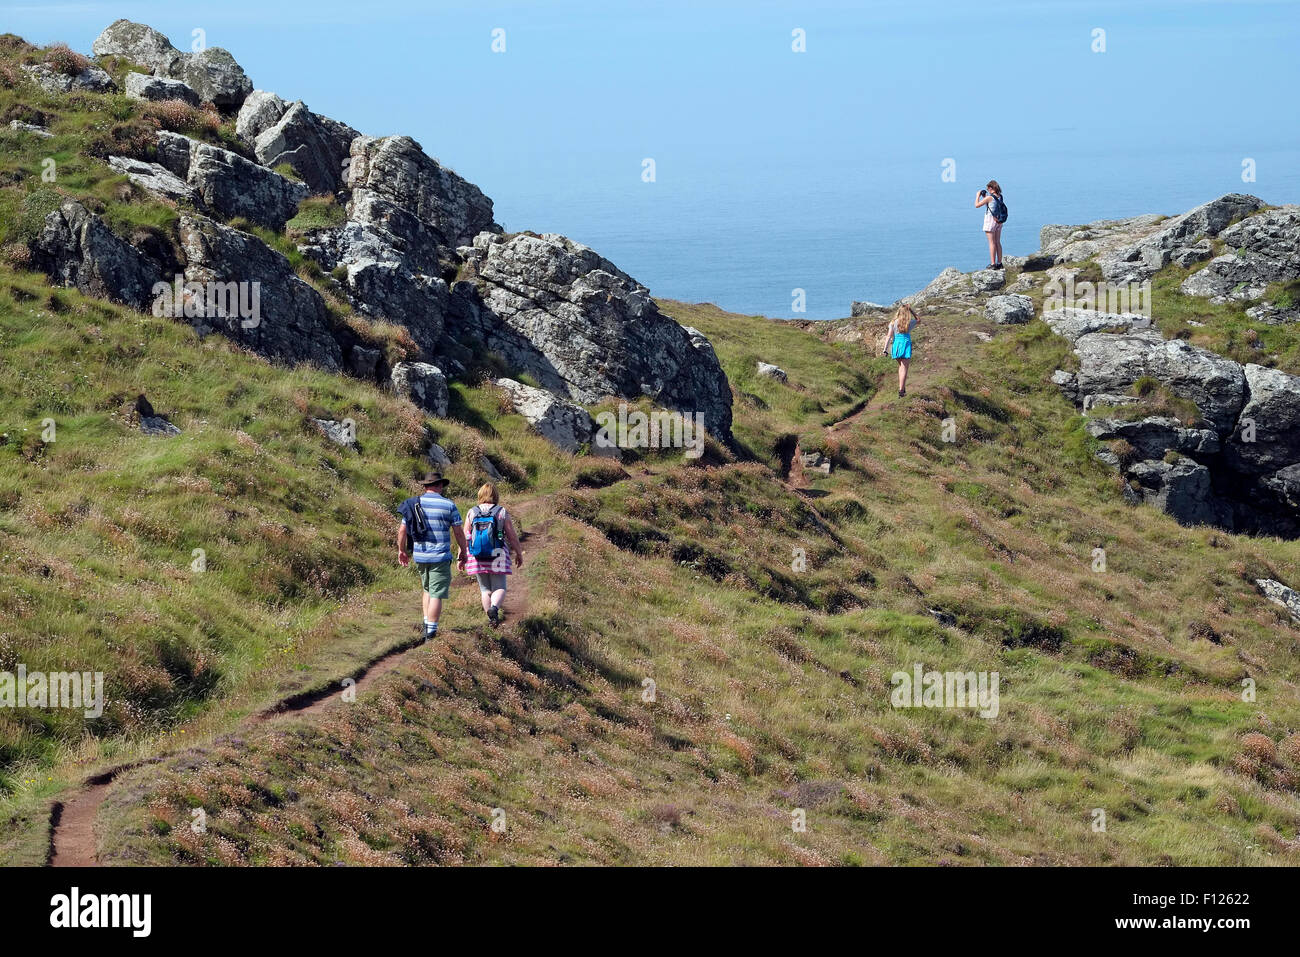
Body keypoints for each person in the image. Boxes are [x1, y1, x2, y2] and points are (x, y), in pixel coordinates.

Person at [397, 472, 467, 640]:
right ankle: (431, 632)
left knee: (427, 589)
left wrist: (402, 550)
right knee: (436, 593)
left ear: (425, 486)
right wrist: (464, 550)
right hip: (440, 556)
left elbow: (402, 531)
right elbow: (458, 532)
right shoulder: (449, 505)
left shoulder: (414, 504)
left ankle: (426, 623)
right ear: (439, 486)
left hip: (420, 555)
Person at [462, 482, 524, 628]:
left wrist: (462, 555)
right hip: (498, 553)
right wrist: (518, 553)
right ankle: (494, 608)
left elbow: (466, 536)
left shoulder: (472, 512)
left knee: (485, 590)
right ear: (495, 495)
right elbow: (512, 536)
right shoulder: (501, 511)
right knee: (500, 587)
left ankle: (492, 620)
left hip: (477, 555)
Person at [885, 304, 921, 398]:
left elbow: (889, 336)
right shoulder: (908, 323)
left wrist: (885, 349)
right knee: (904, 368)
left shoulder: (893, 323)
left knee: (901, 367)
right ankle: (901, 391)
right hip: (905, 344)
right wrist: (912, 310)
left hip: (896, 345)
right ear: (907, 313)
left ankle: (903, 389)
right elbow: (918, 320)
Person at [975, 180, 1005, 269]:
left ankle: (993, 264)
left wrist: (977, 195)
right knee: (997, 242)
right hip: (998, 221)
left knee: (991, 243)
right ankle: (999, 263)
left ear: (991, 188)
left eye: (988, 188)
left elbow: (977, 205)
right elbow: (992, 206)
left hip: (990, 221)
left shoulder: (989, 198)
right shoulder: (1000, 196)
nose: (987, 190)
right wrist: (985, 197)